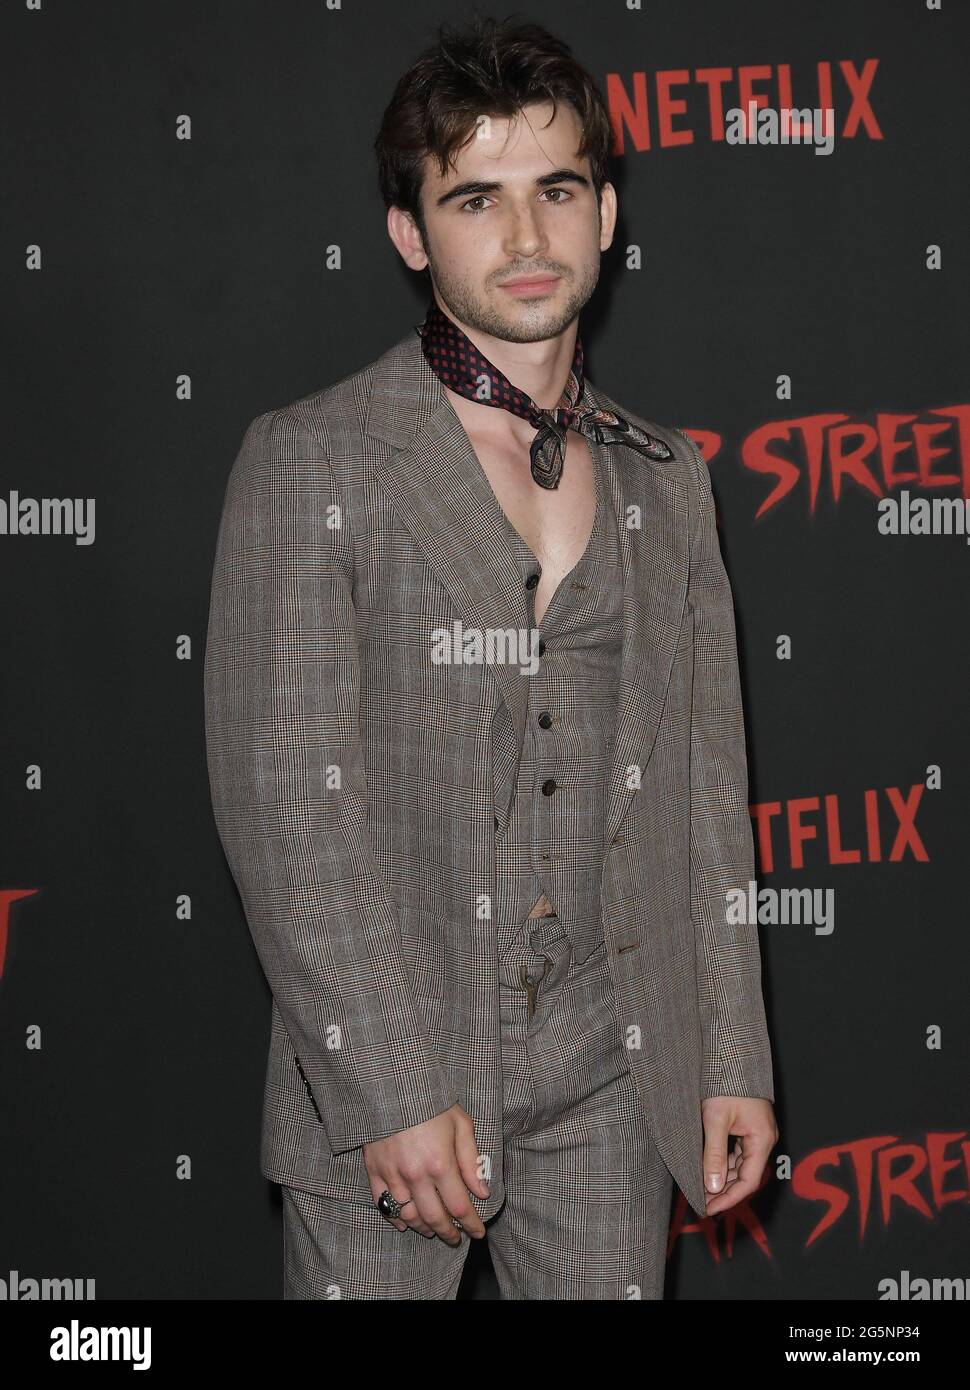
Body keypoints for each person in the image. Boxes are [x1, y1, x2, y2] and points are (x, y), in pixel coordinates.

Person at [203, 15, 778, 1301]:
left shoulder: (668, 482)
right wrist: (388, 1089)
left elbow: (704, 794)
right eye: (477, 199)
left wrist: (729, 1050)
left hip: (613, 1077)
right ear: (413, 234)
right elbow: (286, 805)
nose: (524, 241)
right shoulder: (317, 459)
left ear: (605, 211)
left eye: (554, 191)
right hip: (392, 1089)